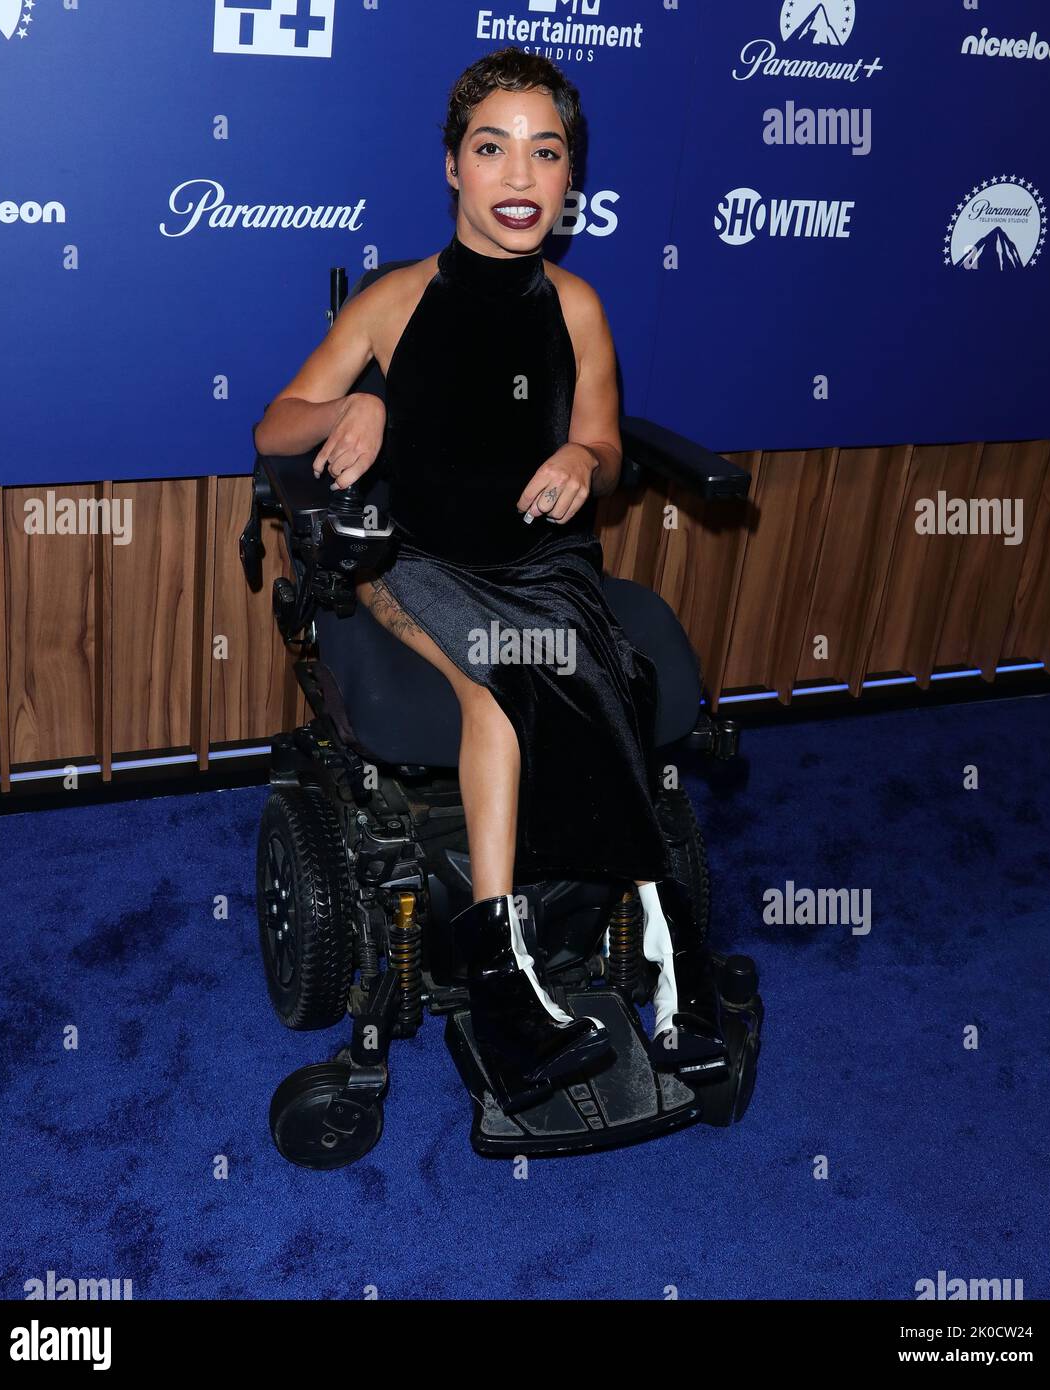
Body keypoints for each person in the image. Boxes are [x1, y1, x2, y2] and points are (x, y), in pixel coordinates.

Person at [254, 48, 727, 1114]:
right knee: (502, 691)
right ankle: (507, 986)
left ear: (570, 184)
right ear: (453, 169)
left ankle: (665, 954)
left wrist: (581, 460)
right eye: (492, 147)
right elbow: (273, 424)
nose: (519, 174)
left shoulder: (578, 308)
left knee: (595, 671)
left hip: (543, 558)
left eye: (545, 152)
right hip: (412, 555)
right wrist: (352, 409)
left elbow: (604, 452)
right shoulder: (394, 301)